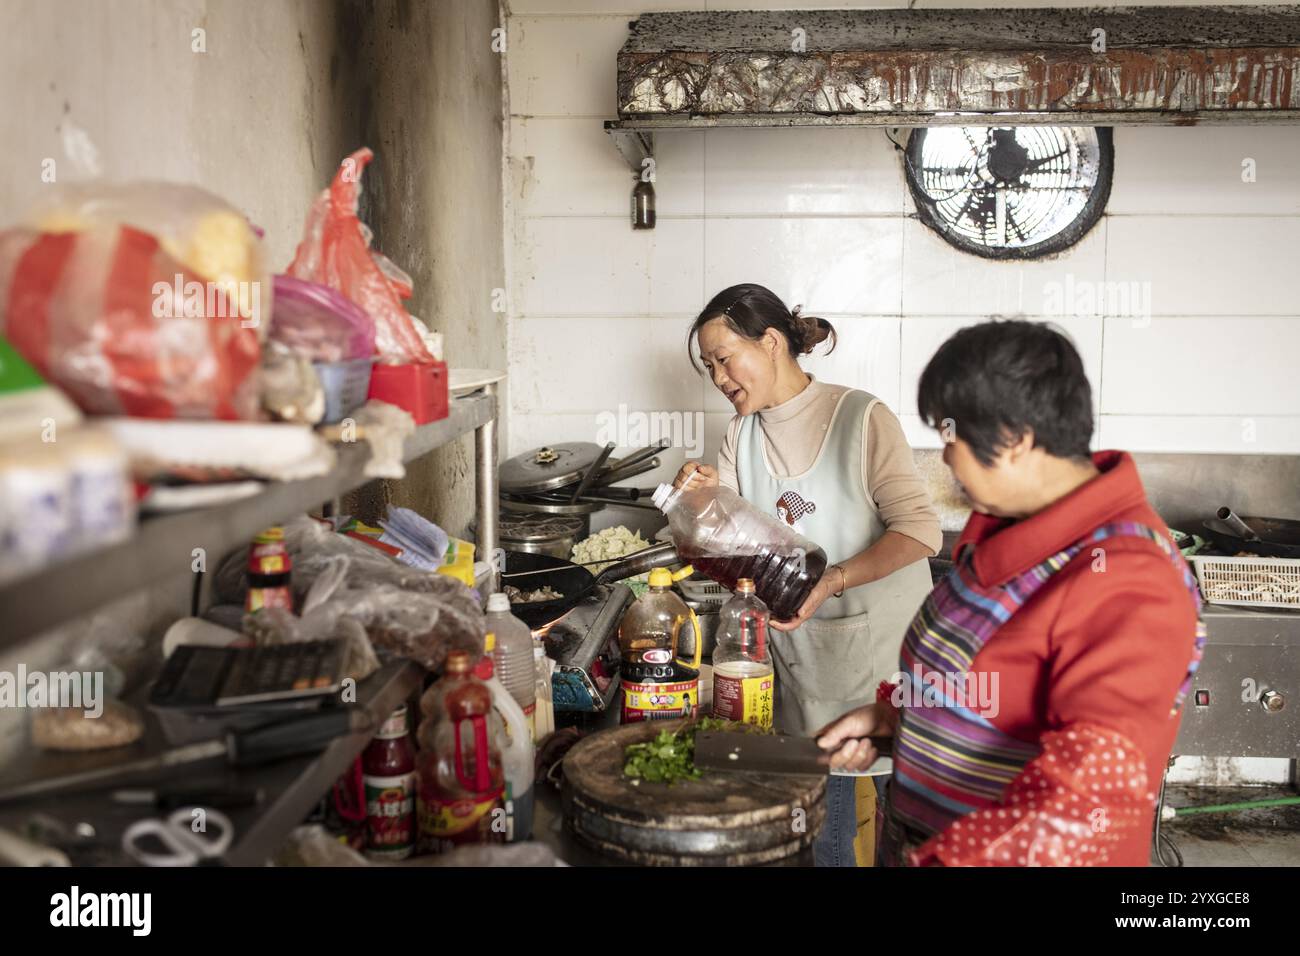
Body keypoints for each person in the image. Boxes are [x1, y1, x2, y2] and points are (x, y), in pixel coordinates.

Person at [816, 320, 1205, 866]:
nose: (947, 458)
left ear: (1017, 438)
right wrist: (901, 723)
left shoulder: (1130, 577)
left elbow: (1085, 802)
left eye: (951, 436)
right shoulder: (1010, 531)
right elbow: (1001, 695)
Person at [673, 283, 940, 867]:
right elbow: (729, 539)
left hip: (886, 666)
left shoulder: (861, 418)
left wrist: (832, 580)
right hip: (803, 662)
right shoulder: (738, 435)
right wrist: (698, 501)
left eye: (724, 358)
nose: (718, 378)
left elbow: (921, 532)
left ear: (771, 343)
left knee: (916, 833)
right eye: (709, 366)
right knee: (823, 830)